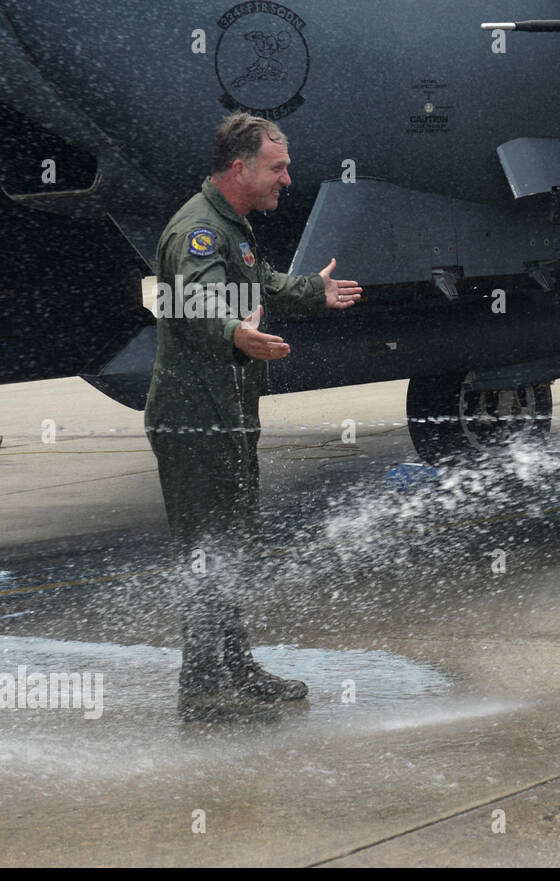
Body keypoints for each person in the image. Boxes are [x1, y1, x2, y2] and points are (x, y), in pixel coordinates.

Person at [146, 112, 362, 721]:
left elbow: (252, 279)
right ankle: (202, 689)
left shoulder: (229, 224)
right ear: (239, 167)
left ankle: (235, 668)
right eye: (278, 167)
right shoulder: (198, 232)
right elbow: (195, 303)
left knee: (230, 548)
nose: (287, 180)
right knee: (206, 552)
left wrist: (305, 292)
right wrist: (235, 333)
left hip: (228, 416)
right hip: (196, 421)